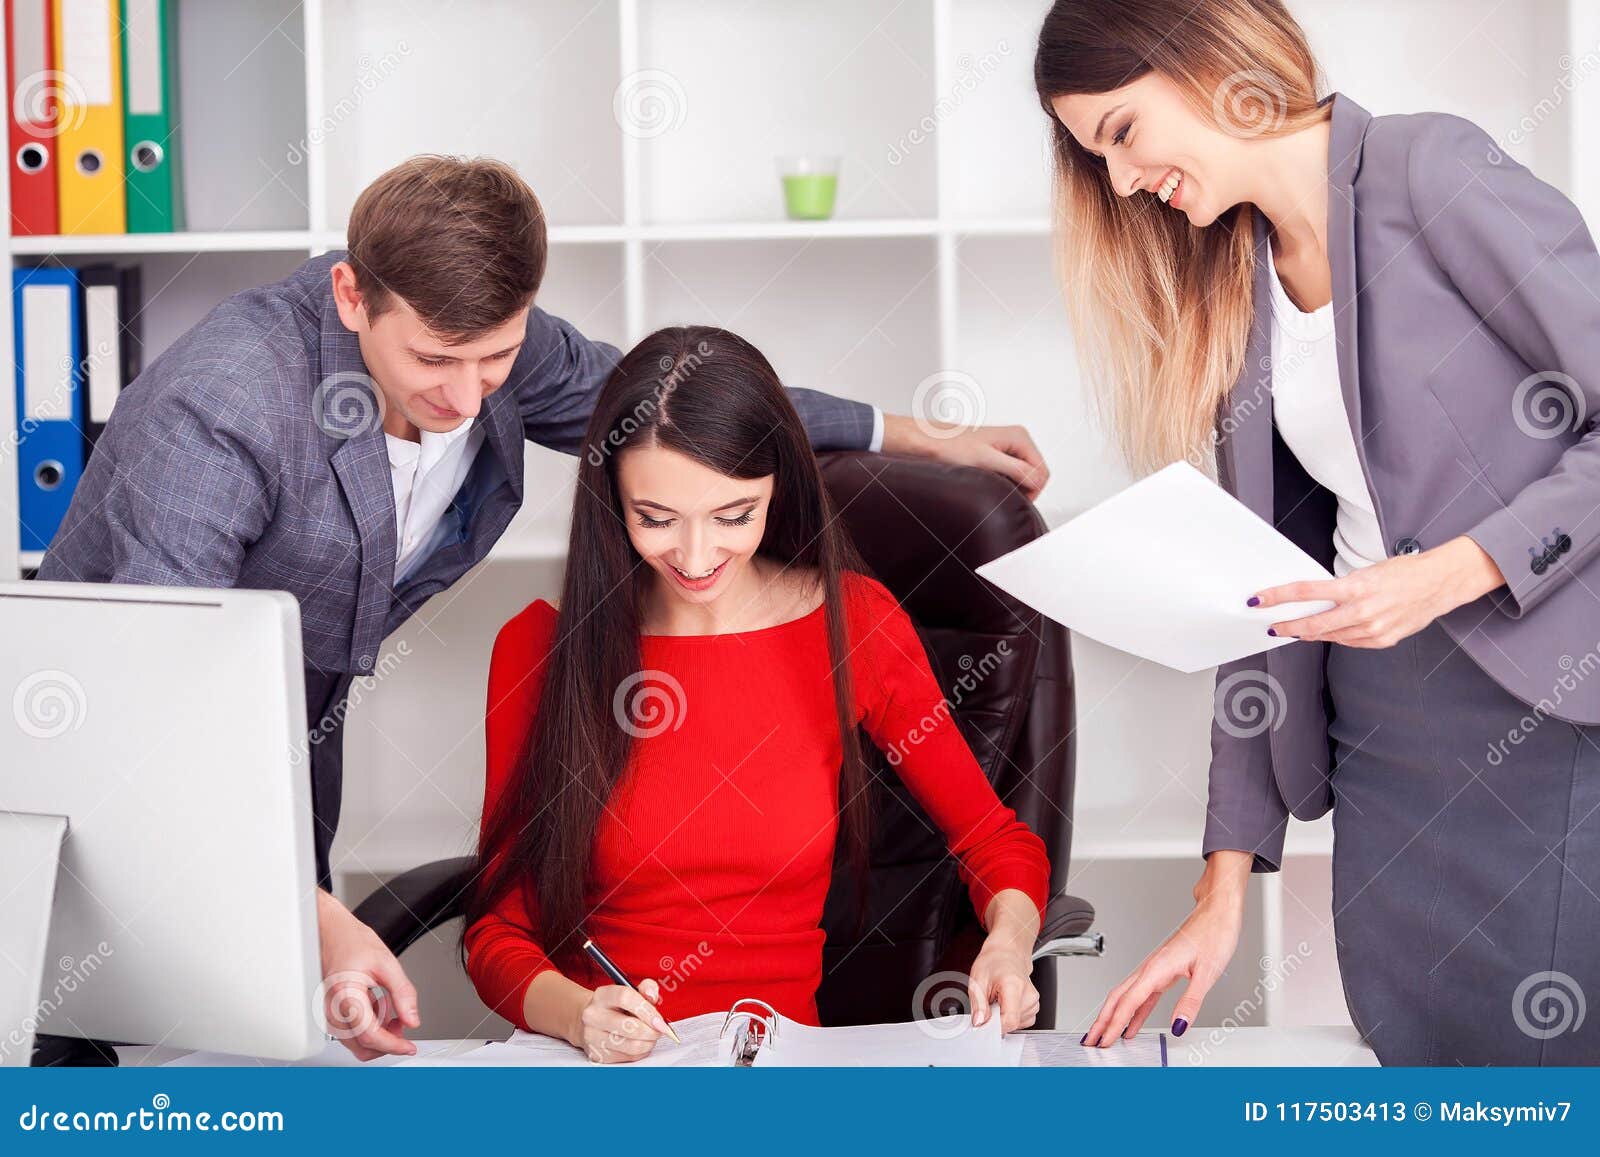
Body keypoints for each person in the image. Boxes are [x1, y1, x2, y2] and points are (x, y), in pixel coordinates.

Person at [37, 156, 1049, 1060]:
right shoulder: (223, 408)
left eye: (498, 357)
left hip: (292, 721)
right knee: (101, 1026)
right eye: (435, 360)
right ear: (351, 295)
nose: (469, 397)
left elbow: (674, 402)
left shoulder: (490, 352)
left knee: (264, 1032)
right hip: (113, 737)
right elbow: (164, 707)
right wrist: (323, 919)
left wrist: (916, 434)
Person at [1035, 0, 1600, 1064]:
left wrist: (1458, 569)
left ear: (1205, 56)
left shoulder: (1427, 171)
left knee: (1550, 1074)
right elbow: (1259, 597)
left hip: (1541, 717)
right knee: (1420, 1065)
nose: (1120, 181)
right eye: (1095, 157)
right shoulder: (1232, 281)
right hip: (1381, 742)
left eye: (1121, 132)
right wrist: (1220, 889)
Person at [461, 325, 1051, 1062]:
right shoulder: (541, 646)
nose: (696, 556)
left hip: (778, 1069)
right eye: (656, 519)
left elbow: (994, 841)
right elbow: (496, 933)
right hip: (601, 1068)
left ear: (779, 487)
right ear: (612, 499)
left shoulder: (853, 624)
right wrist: (579, 1014)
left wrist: (1009, 941)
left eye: (733, 515)